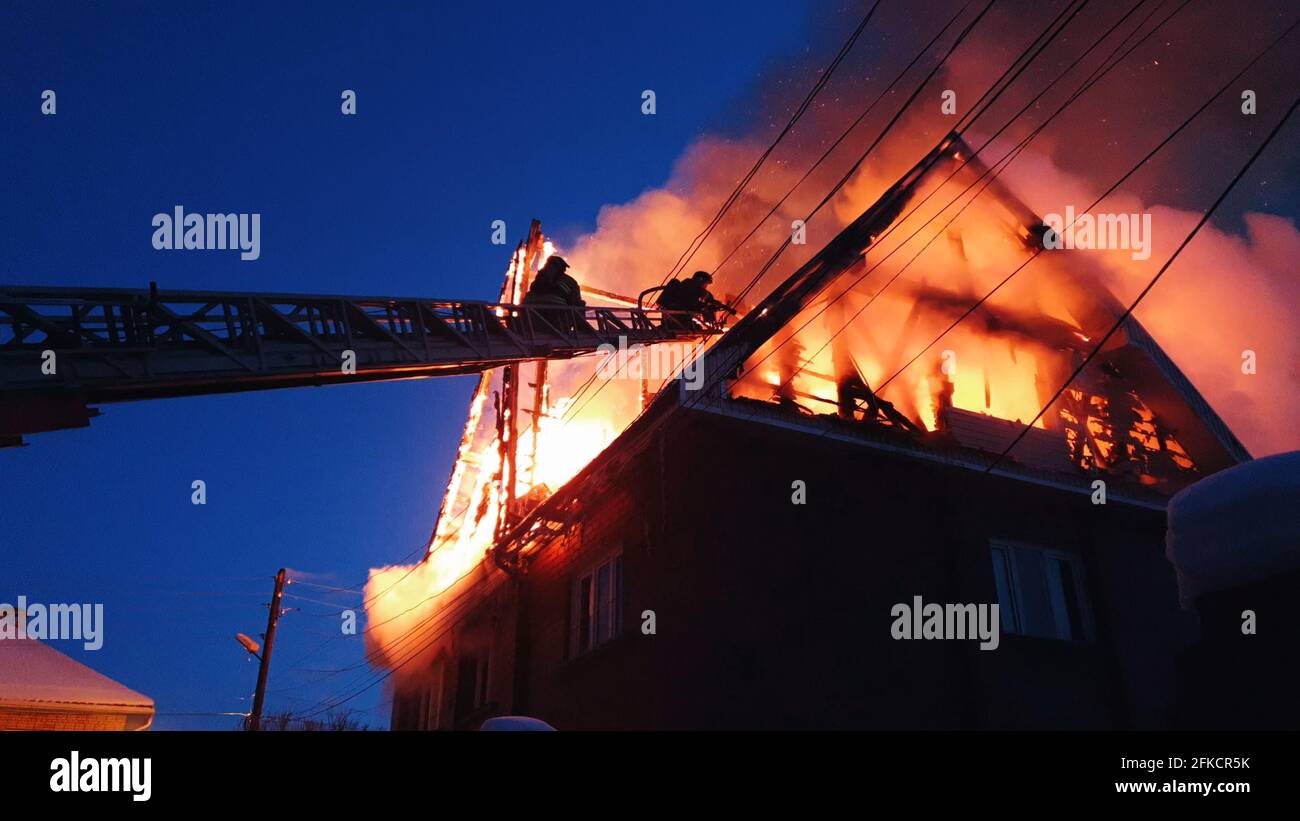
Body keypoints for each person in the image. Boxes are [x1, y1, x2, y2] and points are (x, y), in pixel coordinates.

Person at [523, 255, 585, 331]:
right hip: (555, 323)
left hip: (530, 321)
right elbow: (575, 301)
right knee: (580, 305)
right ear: (561, 268)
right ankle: (581, 330)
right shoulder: (569, 281)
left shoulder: (537, 280)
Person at [657, 270, 734, 328]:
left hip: (670, 316)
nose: (706, 286)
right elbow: (711, 300)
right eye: (706, 283)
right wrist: (726, 307)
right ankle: (714, 326)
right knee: (707, 308)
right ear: (701, 280)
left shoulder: (684, 284)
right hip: (682, 315)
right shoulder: (698, 289)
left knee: (704, 306)